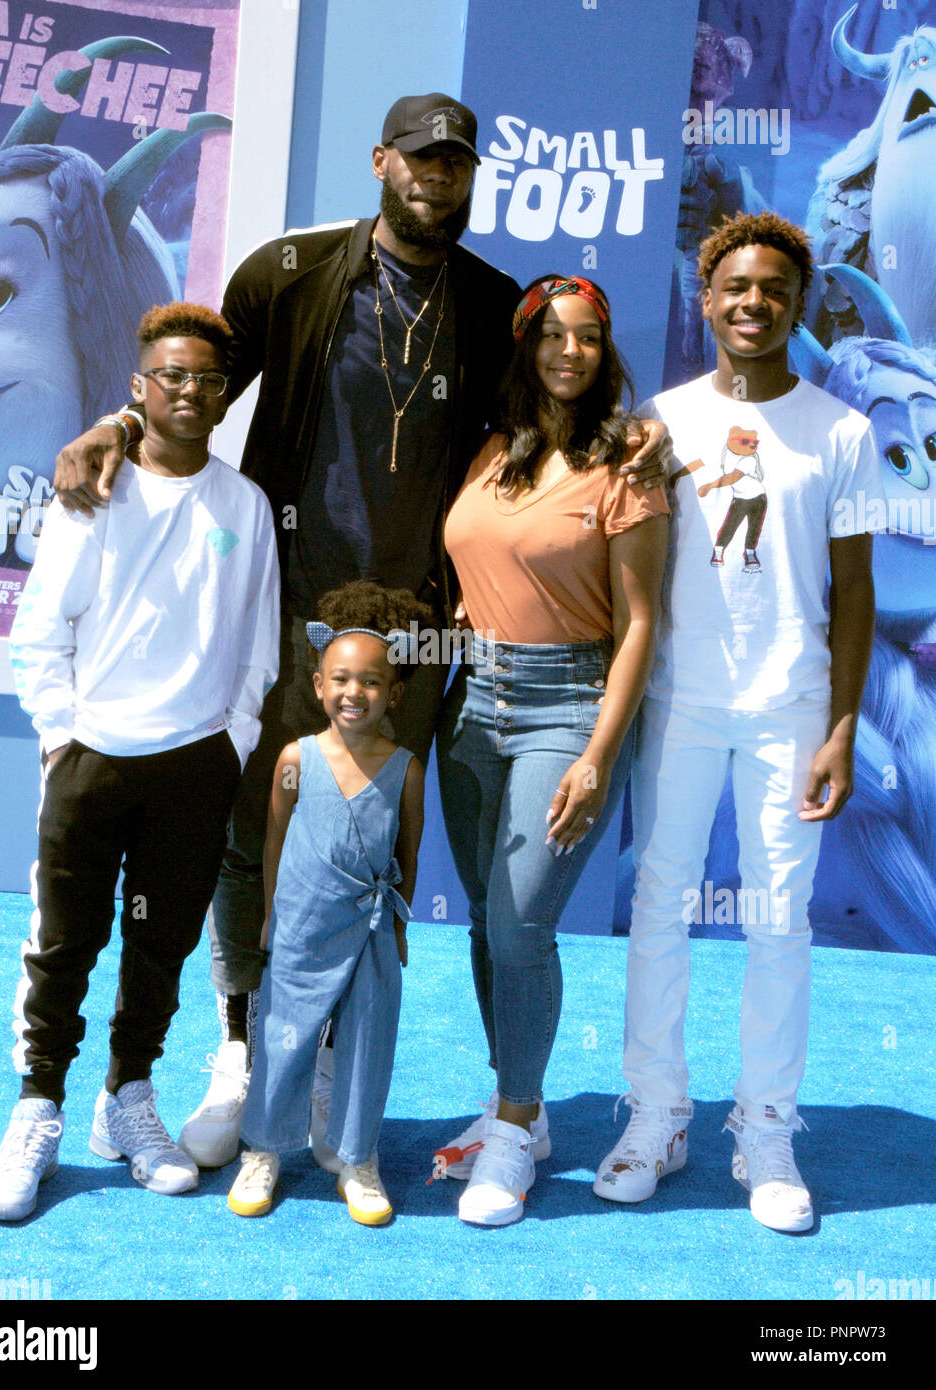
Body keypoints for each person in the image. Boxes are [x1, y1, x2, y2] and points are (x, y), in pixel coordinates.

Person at [51, 93, 670, 1171]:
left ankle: (334, 1056)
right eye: (420, 158)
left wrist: (637, 432)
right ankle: (246, 1049)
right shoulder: (286, 275)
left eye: (457, 164)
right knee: (257, 838)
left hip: (424, 636)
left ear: (472, 178)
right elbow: (192, 382)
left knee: (370, 850)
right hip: (291, 612)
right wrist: (114, 422)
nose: (437, 177)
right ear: (381, 160)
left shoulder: (488, 304)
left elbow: (550, 412)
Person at [594, 212, 882, 1232]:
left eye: (773, 288)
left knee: (780, 920)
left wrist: (841, 725)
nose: (753, 302)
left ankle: (765, 1128)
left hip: (791, 705)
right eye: (735, 287)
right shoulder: (659, 421)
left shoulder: (843, 431)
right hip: (679, 700)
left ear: (797, 304)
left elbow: (855, 594)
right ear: (706, 300)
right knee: (660, 902)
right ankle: (658, 1114)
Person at [0, 303, 280, 1221]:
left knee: (160, 946)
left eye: (207, 380)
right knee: (64, 943)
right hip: (92, 760)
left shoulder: (246, 505)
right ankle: (38, 1109)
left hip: (194, 766)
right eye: (171, 377)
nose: (190, 392)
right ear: (140, 389)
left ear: (226, 398)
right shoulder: (93, 489)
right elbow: (38, 633)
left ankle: (129, 1098)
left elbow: (258, 648)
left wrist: (230, 741)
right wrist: (65, 737)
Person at [433, 276, 670, 1226]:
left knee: (523, 925)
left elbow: (643, 624)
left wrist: (600, 755)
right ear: (526, 348)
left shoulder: (631, 461)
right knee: (492, 921)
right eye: (552, 336)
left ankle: (515, 1130)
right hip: (470, 705)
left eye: (589, 336)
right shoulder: (494, 450)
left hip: (568, 706)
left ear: (606, 350)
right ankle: (514, 1114)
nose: (570, 351)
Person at [226, 581, 426, 1226]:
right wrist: (268, 915)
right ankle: (262, 1150)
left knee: (369, 1042)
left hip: (371, 929)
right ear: (317, 686)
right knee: (284, 1040)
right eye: (341, 679)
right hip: (302, 923)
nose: (354, 693)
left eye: (371, 682)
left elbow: (411, 852)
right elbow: (278, 835)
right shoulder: (294, 758)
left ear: (393, 694)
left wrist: (398, 924)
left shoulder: (407, 768)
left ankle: (359, 1158)